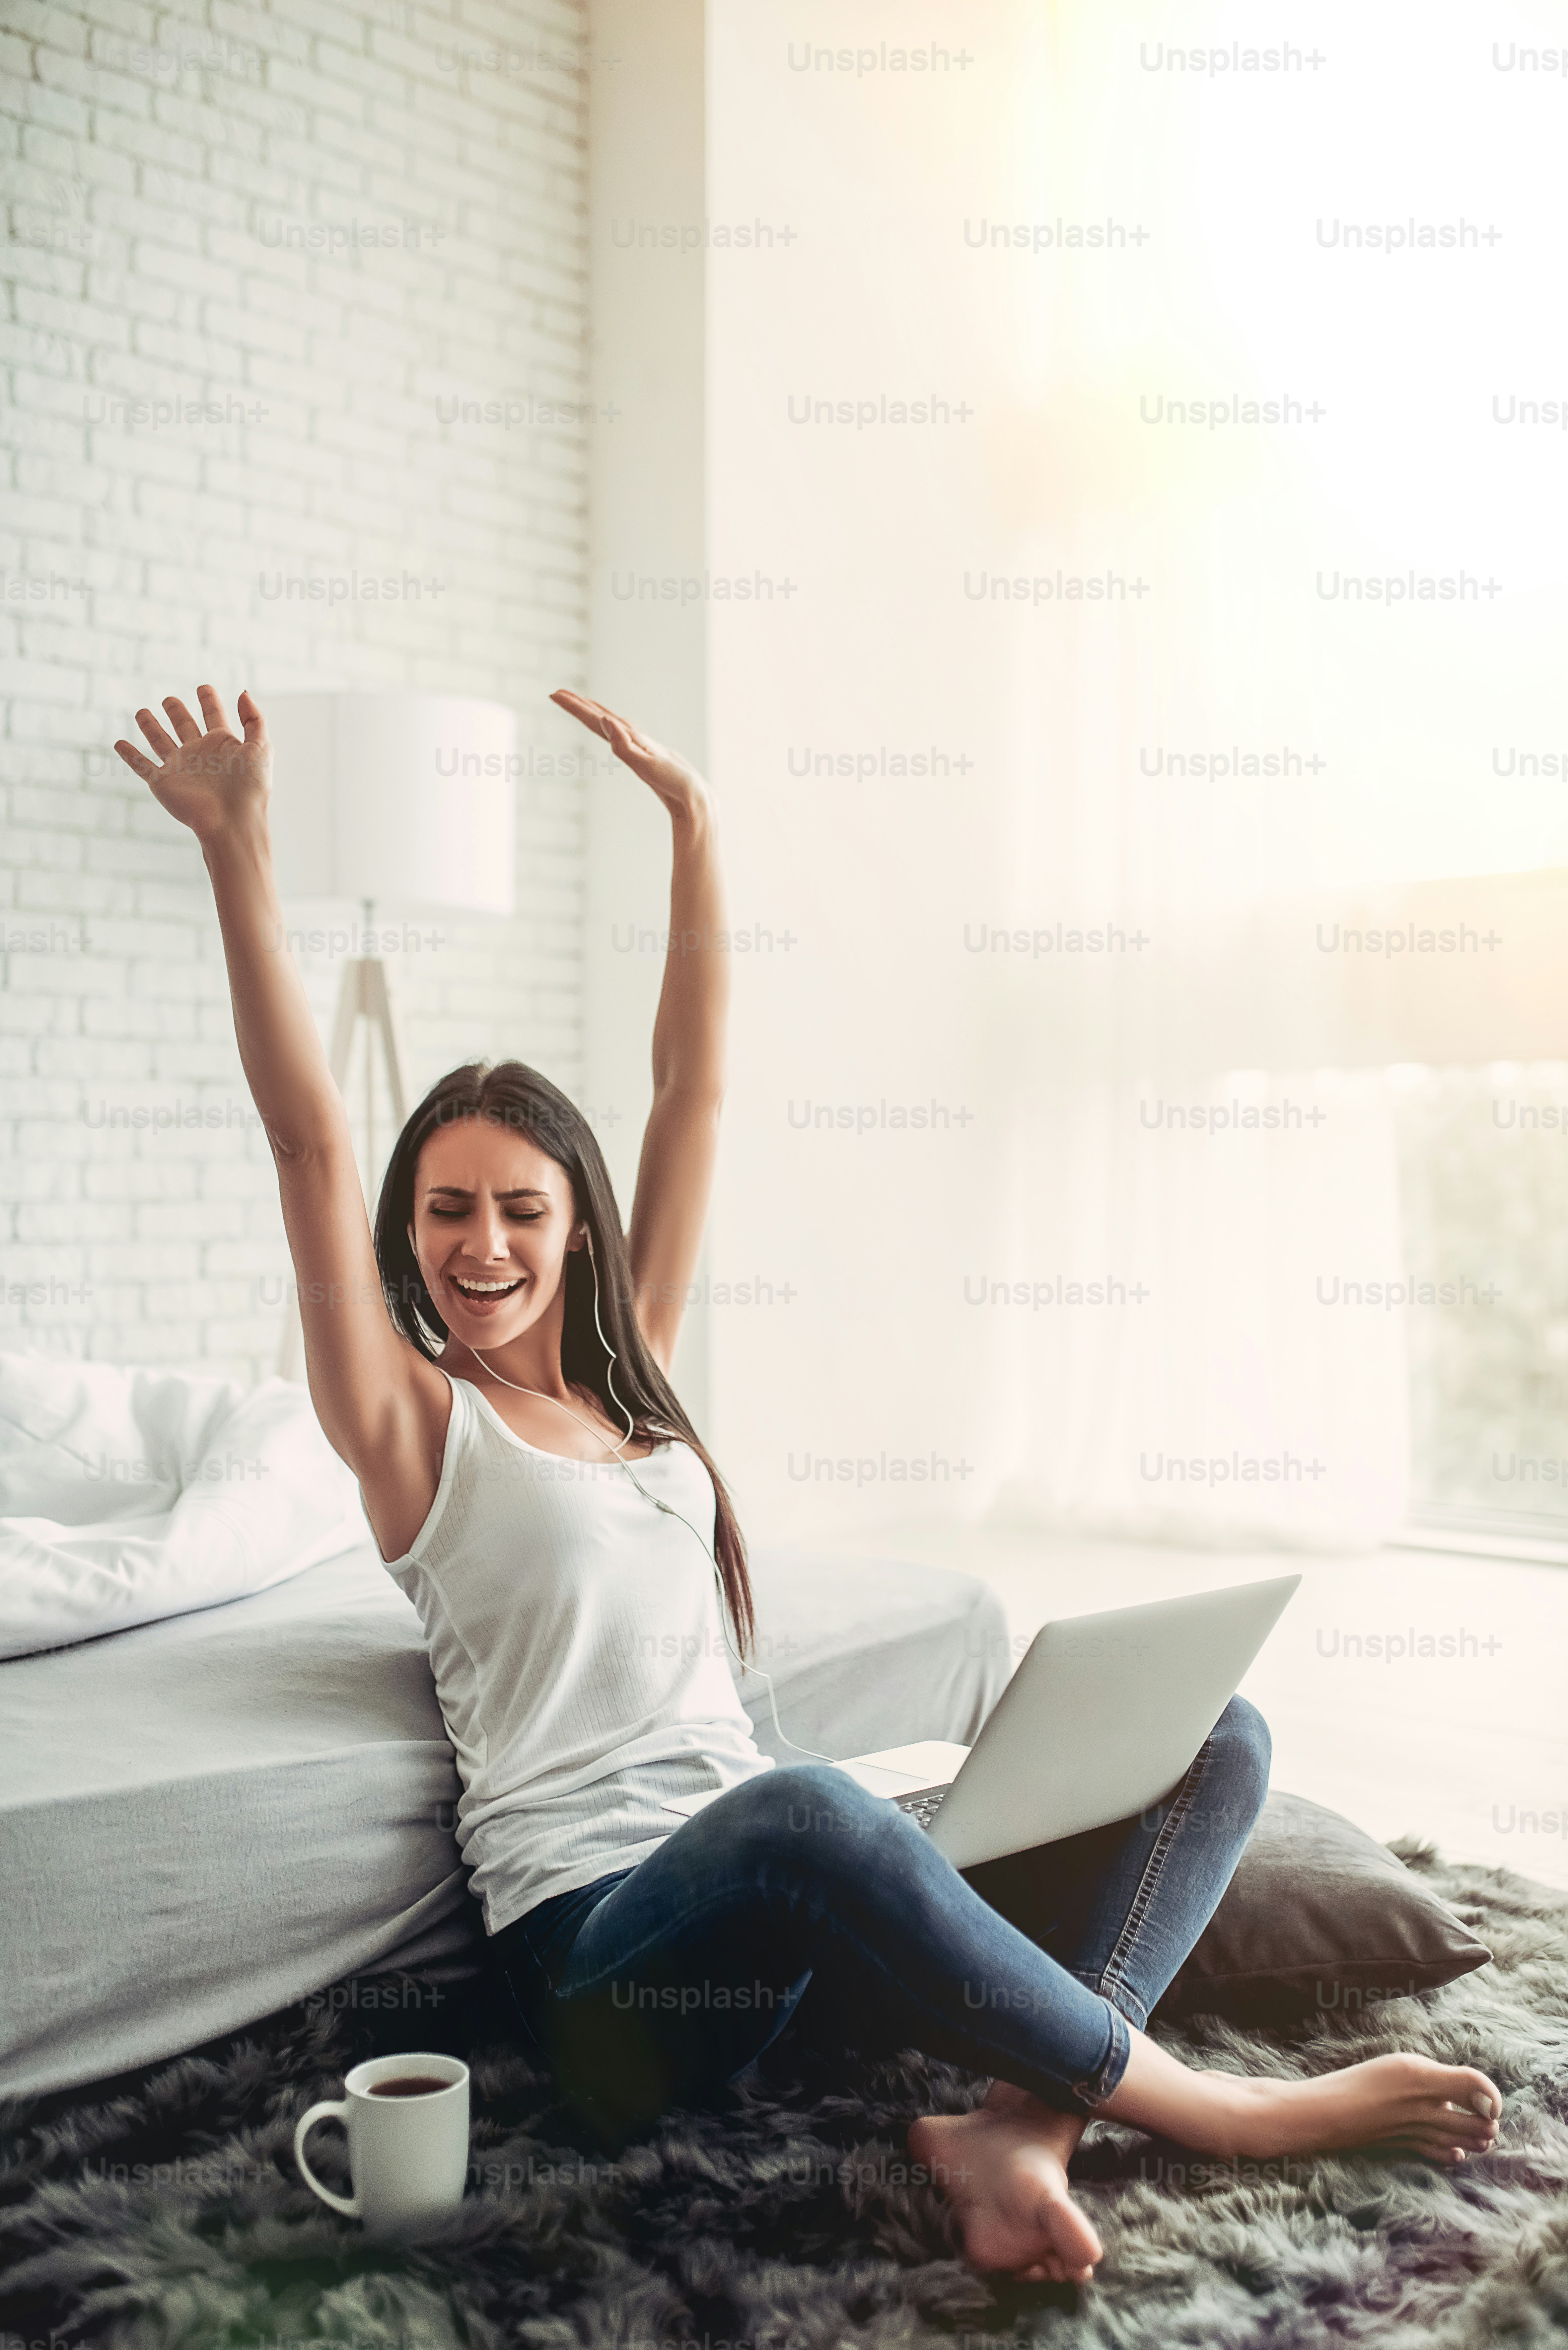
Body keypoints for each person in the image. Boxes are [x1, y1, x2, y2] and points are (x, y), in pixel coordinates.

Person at [115, 684, 1503, 2287]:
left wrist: (700, 830)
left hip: (782, 1926)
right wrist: (241, 850)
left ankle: (1024, 2125)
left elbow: (694, 1094)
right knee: (805, 1807)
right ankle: (1208, 2107)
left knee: (1216, 1734)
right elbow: (304, 1145)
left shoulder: (636, 1385)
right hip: (611, 1976)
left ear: (578, 1231)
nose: (479, 1244)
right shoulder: (416, 1428)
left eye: (518, 1207)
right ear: (407, 1235)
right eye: (443, 1212)